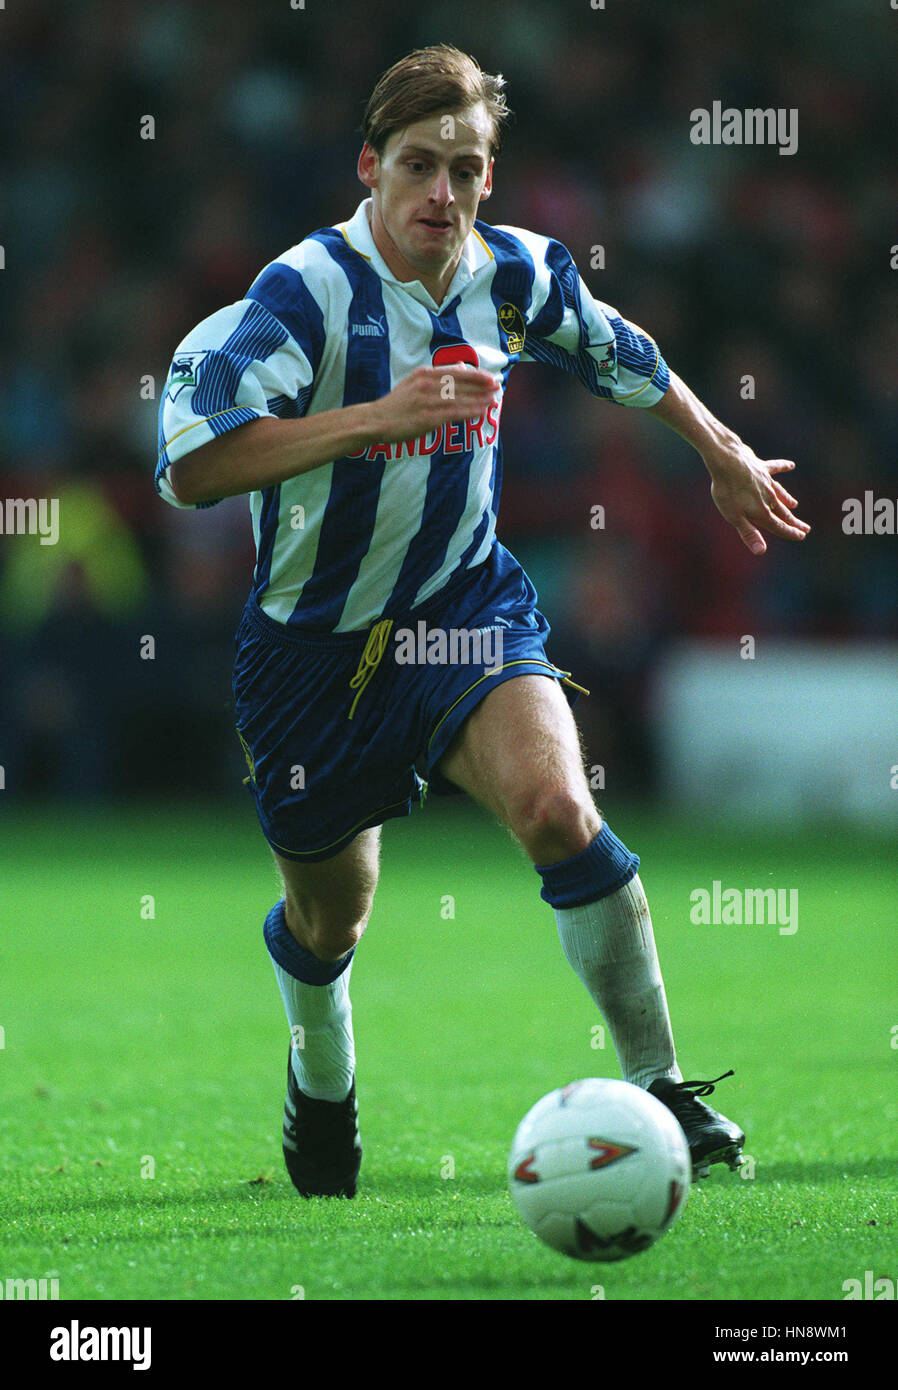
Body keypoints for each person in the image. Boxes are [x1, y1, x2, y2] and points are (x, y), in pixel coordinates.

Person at [155, 44, 809, 1197]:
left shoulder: (514, 275)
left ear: (490, 178)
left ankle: (659, 1089)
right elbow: (198, 468)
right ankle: (322, 1094)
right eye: (418, 165)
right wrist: (376, 418)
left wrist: (720, 452)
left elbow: (622, 351)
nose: (440, 193)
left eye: (465, 167)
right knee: (330, 918)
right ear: (369, 167)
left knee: (560, 807)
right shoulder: (300, 293)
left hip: (462, 608)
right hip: (310, 650)